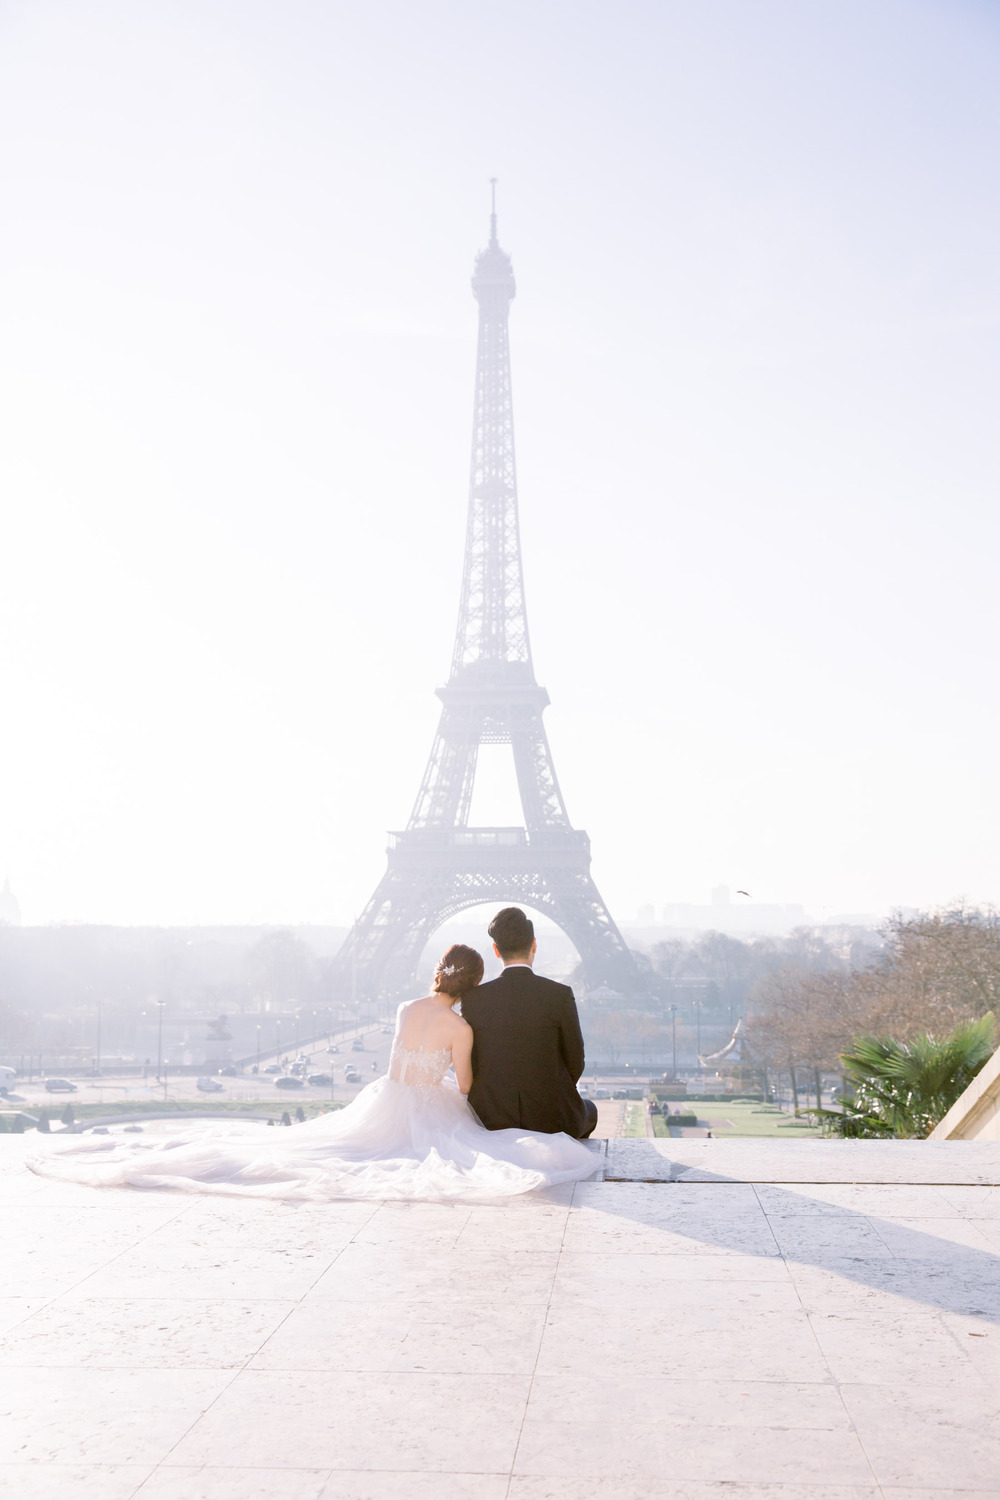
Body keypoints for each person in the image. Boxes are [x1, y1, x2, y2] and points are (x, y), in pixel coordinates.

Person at [26, 943, 597, 1203]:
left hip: (387, 1098)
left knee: (335, 1147)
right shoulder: (462, 1029)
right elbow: (467, 1087)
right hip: (425, 1102)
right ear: (473, 983)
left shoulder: (403, 1010)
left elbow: (398, 1066)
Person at [461, 907, 599, 1140]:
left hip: (492, 1117)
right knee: (590, 1110)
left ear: (496, 950)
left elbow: (474, 1064)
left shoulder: (474, 999)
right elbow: (575, 1060)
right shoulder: (559, 995)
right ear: (534, 945)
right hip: (550, 1117)